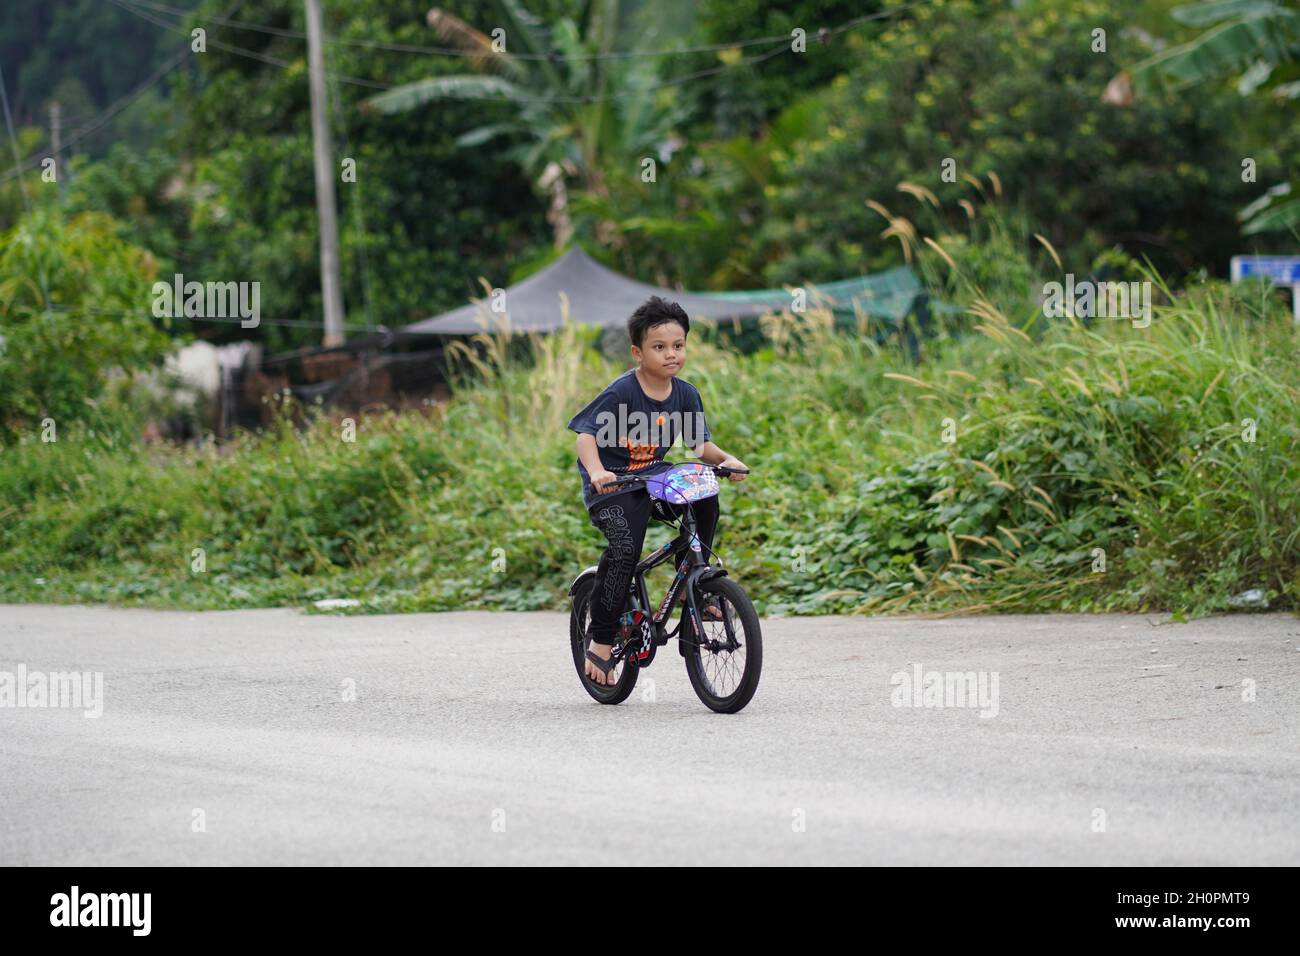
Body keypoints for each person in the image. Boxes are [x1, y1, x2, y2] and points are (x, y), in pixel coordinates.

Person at [567, 296, 749, 686]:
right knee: (625, 549)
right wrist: (597, 470)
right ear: (638, 352)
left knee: (704, 489)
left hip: (654, 476)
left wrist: (727, 460)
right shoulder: (622, 392)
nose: (671, 354)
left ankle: (694, 584)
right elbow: (585, 436)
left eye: (678, 346)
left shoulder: (685, 394)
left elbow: (701, 447)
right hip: (614, 484)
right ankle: (600, 640)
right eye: (659, 347)